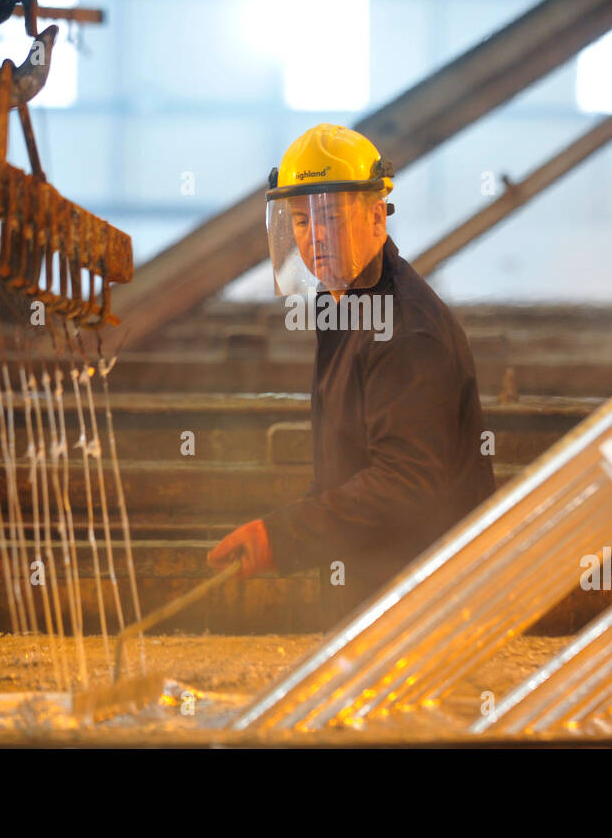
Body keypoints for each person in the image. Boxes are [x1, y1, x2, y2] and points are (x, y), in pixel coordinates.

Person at [207, 123, 495, 618]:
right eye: (300, 220)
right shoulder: (345, 307)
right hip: (374, 594)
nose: (313, 237)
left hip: (423, 605)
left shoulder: (406, 332)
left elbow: (406, 483)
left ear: (377, 217)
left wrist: (282, 536)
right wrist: (281, 533)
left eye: (330, 217)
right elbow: (352, 467)